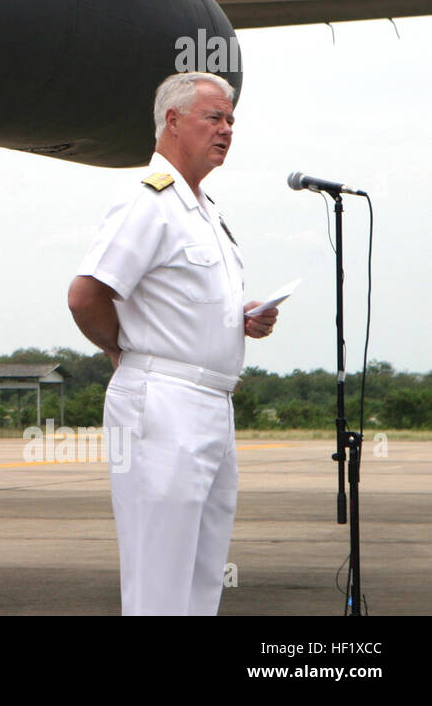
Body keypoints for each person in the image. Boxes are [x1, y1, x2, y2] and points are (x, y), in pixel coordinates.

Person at [67, 71, 279, 616]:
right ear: (173, 120)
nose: (227, 129)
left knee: (203, 575)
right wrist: (121, 351)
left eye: (231, 119)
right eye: (215, 117)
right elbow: (86, 295)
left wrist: (241, 320)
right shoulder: (149, 200)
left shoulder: (205, 208)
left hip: (213, 400)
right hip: (163, 399)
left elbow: (181, 302)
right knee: (161, 576)